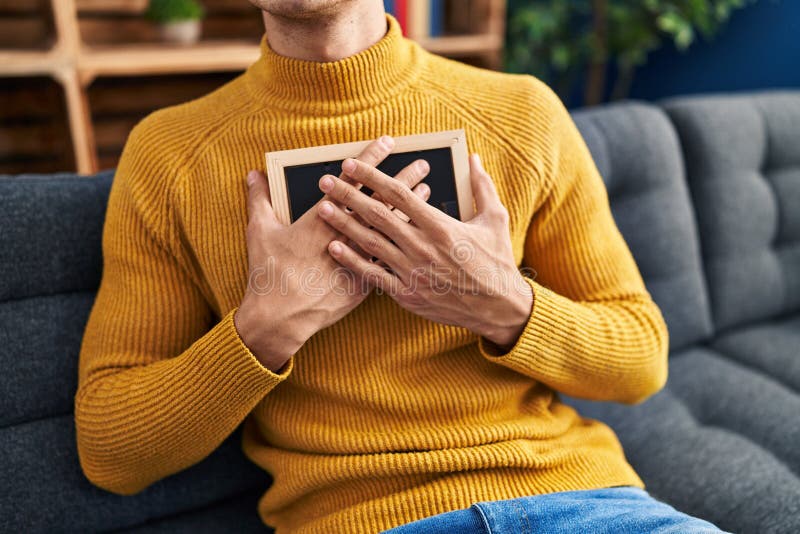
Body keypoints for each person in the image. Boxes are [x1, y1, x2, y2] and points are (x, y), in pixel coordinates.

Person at [74, 1, 727, 532]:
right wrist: (262, 329)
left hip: (586, 506)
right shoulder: (169, 158)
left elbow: (642, 358)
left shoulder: (522, 113)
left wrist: (505, 305)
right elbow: (110, 449)